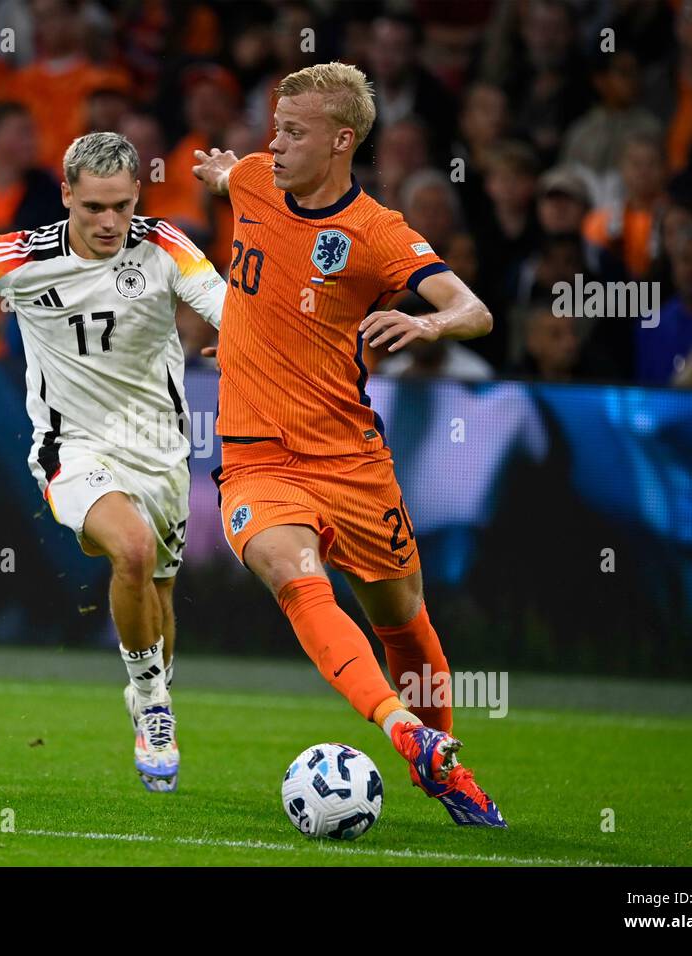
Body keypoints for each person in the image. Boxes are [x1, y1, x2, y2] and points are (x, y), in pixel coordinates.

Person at [0, 132, 225, 793]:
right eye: (93, 208)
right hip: (71, 447)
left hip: (161, 450)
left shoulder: (166, 244)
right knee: (132, 553)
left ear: (137, 195)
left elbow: (221, 302)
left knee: (158, 592)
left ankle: (151, 690)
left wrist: (242, 338)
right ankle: (152, 706)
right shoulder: (23, 256)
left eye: (120, 205)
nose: (109, 222)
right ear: (66, 197)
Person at [192, 62, 505, 827]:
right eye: (275, 126)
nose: (275, 143)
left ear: (341, 140)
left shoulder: (378, 233)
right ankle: (403, 732)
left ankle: (446, 764)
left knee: (404, 620)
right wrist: (219, 175)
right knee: (294, 574)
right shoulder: (258, 179)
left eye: (293, 132)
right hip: (257, 457)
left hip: (352, 461)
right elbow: (237, 178)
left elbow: (475, 311)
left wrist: (427, 323)